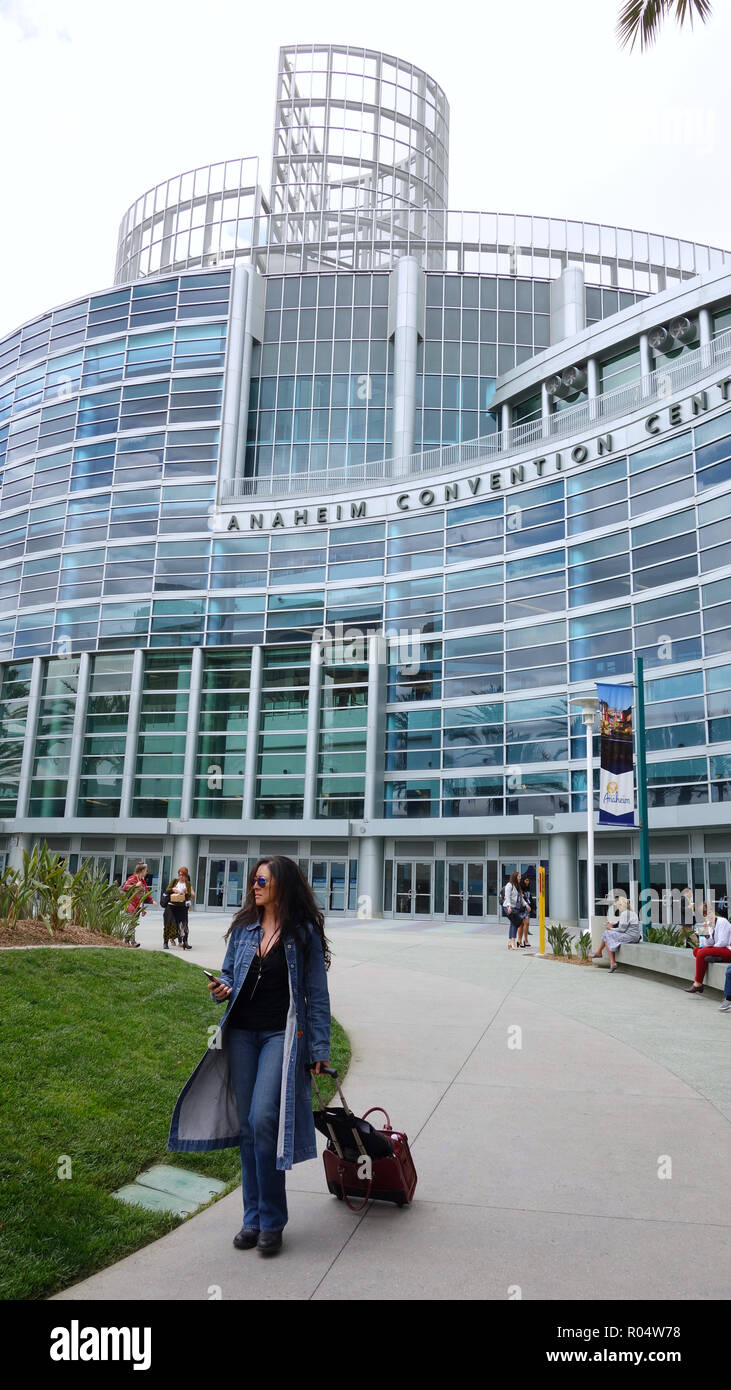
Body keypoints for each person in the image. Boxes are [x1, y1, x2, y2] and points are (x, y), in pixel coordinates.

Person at [168, 856, 331, 1258]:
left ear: (282, 886)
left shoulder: (302, 934)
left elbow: (317, 996)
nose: (255, 885)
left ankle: (273, 1220)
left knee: (263, 1120)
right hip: (240, 1034)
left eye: (262, 880)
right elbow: (228, 974)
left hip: (279, 1035)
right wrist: (220, 987)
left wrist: (319, 1051)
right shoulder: (243, 928)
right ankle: (252, 1218)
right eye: (254, 879)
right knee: (247, 1127)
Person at [684, 904, 731, 995]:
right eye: (705, 914)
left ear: (713, 911)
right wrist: (705, 933)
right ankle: (718, 958)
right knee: (696, 951)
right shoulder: (708, 924)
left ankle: (698, 984)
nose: (708, 916)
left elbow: (723, 942)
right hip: (721, 949)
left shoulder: (722, 921)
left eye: (709, 912)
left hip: (728, 949)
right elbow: (707, 943)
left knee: (702, 952)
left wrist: (709, 949)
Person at [589, 894, 640, 972]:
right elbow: (624, 925)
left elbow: (622, 930)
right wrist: (613, 924)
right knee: (607, 936)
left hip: (629, 936)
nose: (617, 907)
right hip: (634, 936)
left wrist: (610, 928)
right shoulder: (632, 913)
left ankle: (601, 954)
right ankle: (611, 962)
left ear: (620, 905)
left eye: (617, 906)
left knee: (607, 933)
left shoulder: (624, 914)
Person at [161, 866, 194, 950]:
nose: (181, 877)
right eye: (179, 875)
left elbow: (189, 896)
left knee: (184, 924)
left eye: (182, 875)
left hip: (182, 907)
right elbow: (167, 890)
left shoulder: (188, 884)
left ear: (186, 876)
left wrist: (186, 892)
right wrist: (173, 889)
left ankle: (185, 942)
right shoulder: (174, 881)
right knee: (168, 924)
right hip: (171, 906)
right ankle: (165, 942)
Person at [120, 861, 152, 947]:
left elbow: (146, 893)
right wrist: (135, 886)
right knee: (132, 923)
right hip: (131, 904)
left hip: (138, 906)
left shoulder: (142, 881)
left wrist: (152, 901)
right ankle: (133, 942)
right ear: (142, 871)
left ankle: (126, 941)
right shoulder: (132, 878)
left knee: (132, 924)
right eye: (146, 870)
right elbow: (125, 887)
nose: (146, 872)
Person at [502, 871, 523, 950]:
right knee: (515, 922)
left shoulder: (517, 886)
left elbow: (521, 898)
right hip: (508, 907)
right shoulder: (509, 885)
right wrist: (509, 906)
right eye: (519, 877)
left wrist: (526, 905)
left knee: (513, 923)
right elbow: (507, 897)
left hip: (514, 907)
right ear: (515, 877)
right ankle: (513, 942)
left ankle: (510, 942)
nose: (520, 878)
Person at [518, 873, 534, 948]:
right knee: (521, 924)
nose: (528, 882)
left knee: (526, 923)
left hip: (527, 909)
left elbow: (530, 898)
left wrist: (533, 908)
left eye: (528, 880)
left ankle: (525, 940)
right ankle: (520, 940)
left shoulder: (528, 888)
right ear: (523, 881)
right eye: (526, 880)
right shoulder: (520, 888)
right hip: (521, 908)